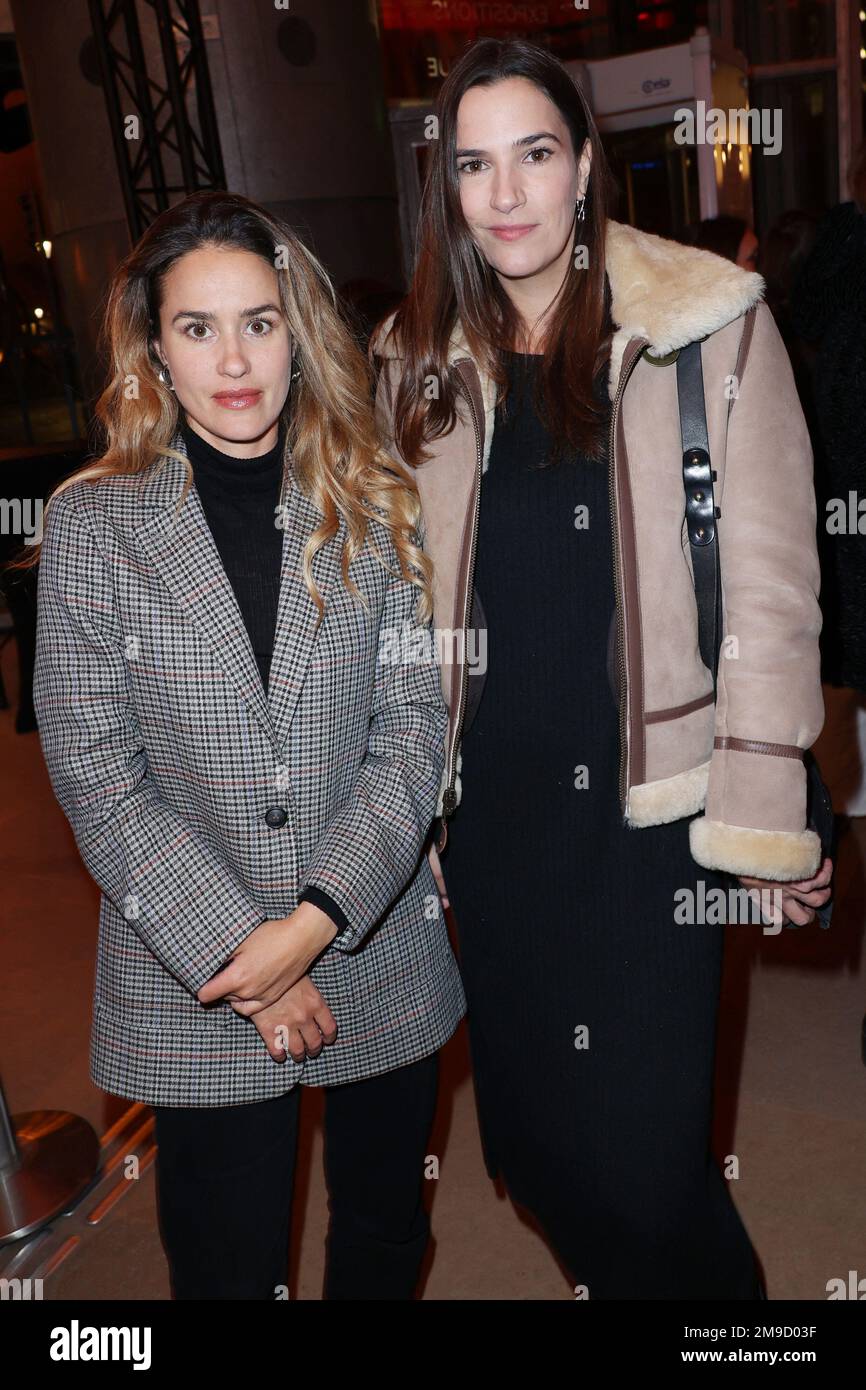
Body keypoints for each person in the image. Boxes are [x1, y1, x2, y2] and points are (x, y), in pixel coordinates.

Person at [371, 38, 832, 1300]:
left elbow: (776, 591)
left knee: (646, 1166)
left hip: (652, 819)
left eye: (534, 153)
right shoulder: (412, 365)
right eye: (473, 163)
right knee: (534, 1150)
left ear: (583, 168)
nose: (505, 192)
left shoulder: (705, 330)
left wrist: (763, 803)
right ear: (446, 187)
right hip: (492, 826)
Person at [31, 189, 466, 1300]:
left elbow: (412, 729)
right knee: (223, 1266)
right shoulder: (91, 523)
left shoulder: (374, 499)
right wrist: (253, 962)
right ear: (153, 349)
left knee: (379, 1237)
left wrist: (314, 921)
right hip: (194, 971)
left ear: (298, 335)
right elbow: (95, 774)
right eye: (197, 326)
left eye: (259, 322)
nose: (233, 358)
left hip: (370, 944)